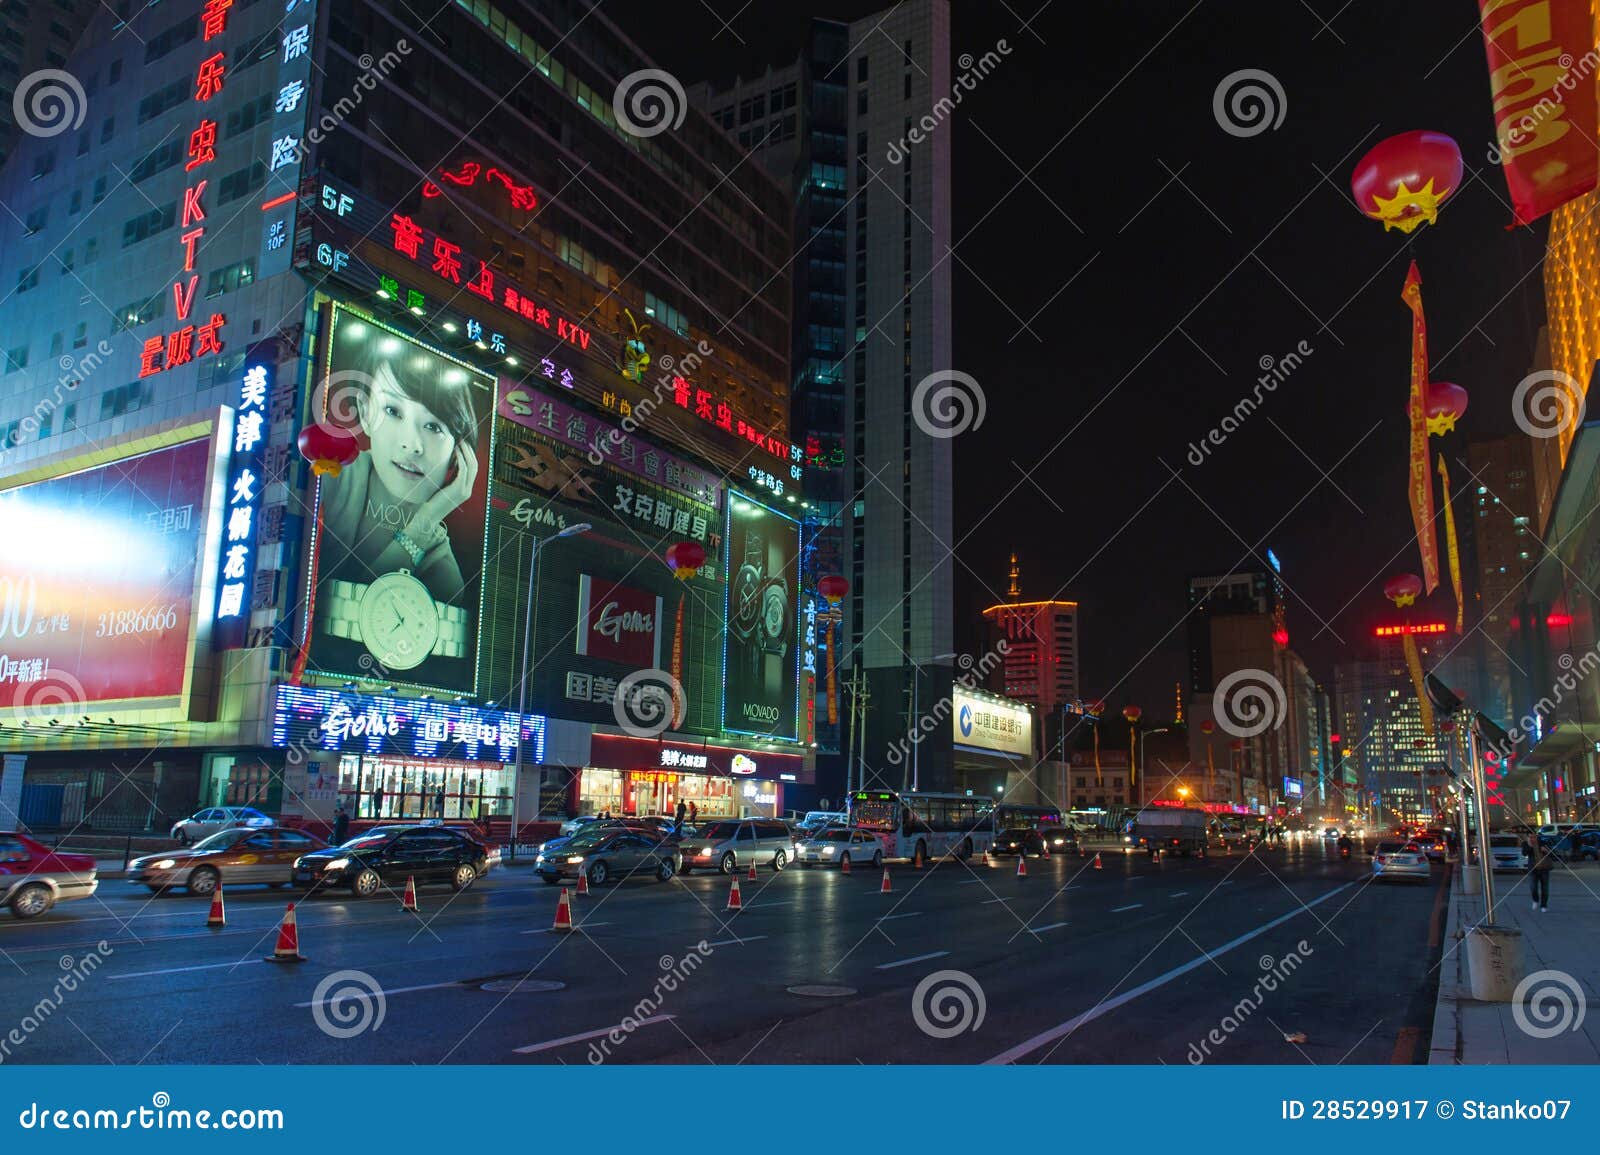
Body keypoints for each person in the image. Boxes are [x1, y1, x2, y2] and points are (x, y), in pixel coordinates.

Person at [317, 349, 480, 605]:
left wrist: (424, 523)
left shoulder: (439, 562)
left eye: (434, 426)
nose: (412, 445)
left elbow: (356, 619)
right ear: (365, 411)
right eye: (393, 411)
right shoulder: (327, 480)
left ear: (458, 453)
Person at [1526, 831, 1554, 912]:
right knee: (1533, 887)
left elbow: (1553, 854)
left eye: (1534, 837)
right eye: (1530, 837)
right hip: (1533, 869)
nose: (1533, 839)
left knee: (1545, 888)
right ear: (1528, 837)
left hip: (1544, 868)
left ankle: (1544, 905)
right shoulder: (1526, 844)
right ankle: (1535, 900)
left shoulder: (1543, 843)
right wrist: (1530, 846)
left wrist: (1546, 851)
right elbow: (1524, 853)